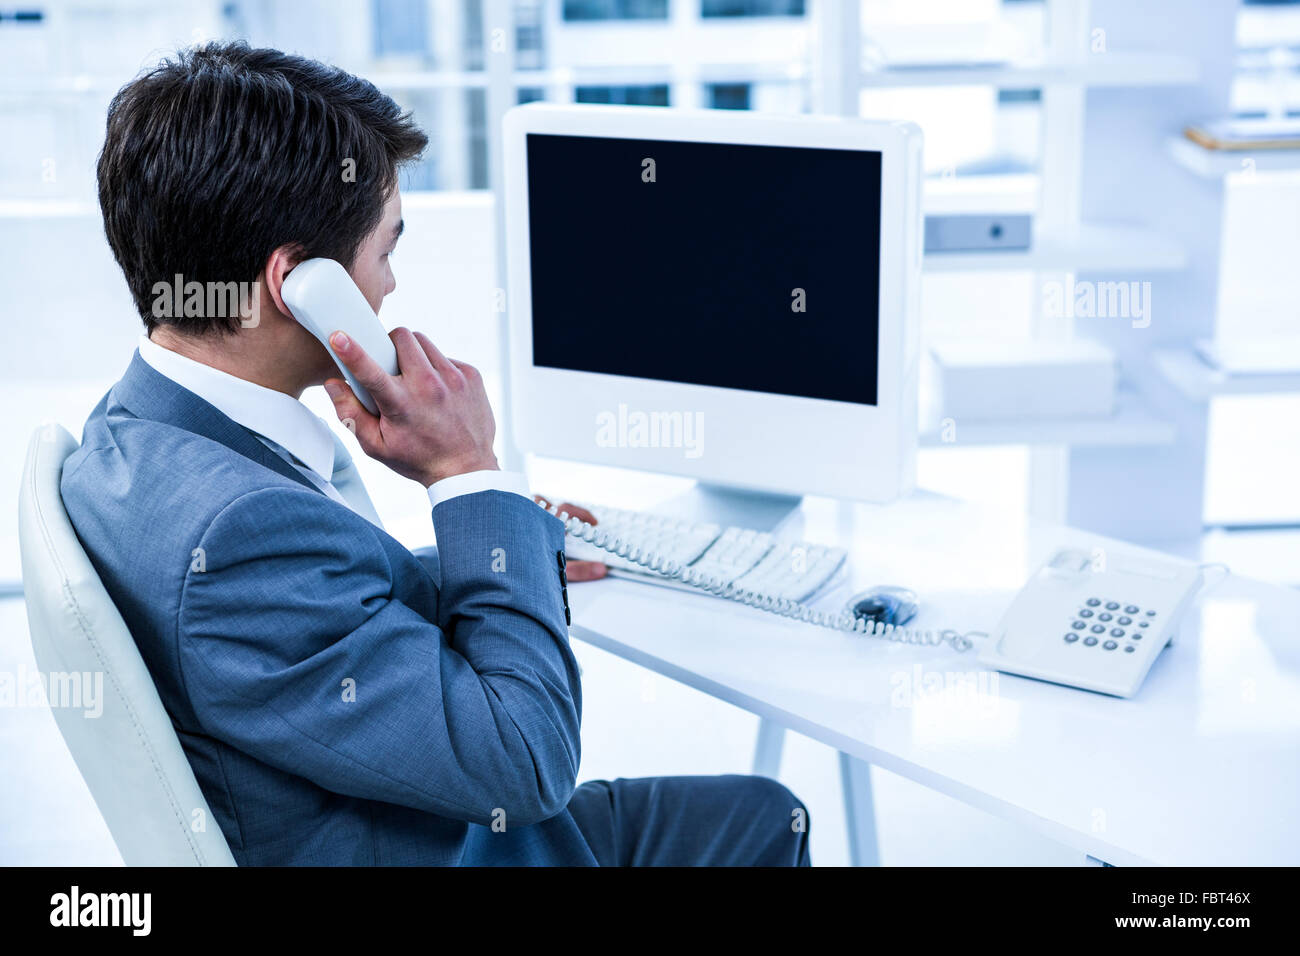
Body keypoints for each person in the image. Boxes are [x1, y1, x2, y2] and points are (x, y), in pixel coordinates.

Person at [61, 41, 809, 866]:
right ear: (299, 284)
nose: (390, 287)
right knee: (768, 818)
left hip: (389, 814)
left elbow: (316, 608)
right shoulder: (240, 531)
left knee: (753, 812)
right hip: (450, 846)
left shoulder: (134, 430)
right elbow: (528, 764)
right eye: (385, 250)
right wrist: (468, 473)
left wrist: (509, 548)